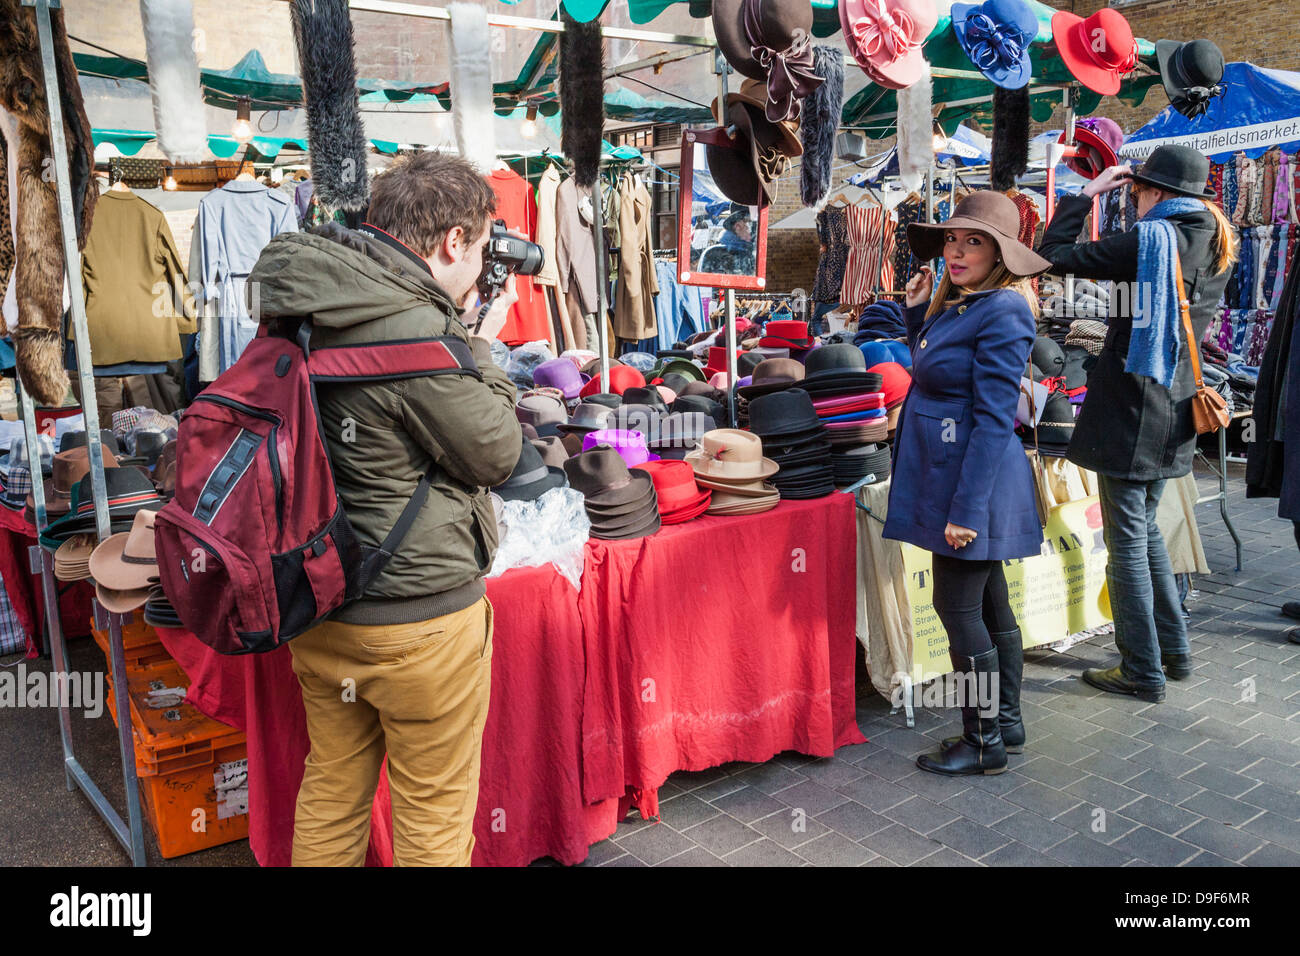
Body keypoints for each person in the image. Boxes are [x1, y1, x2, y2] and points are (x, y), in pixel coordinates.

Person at [247, 151, 523, 865]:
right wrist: (475, 343)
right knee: (431, 817)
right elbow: (496, 452)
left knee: (334, 789)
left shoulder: (302, 304)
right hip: (420, 621)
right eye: (484, 248)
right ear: (452, 242)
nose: (482, 267)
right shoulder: (418, 331)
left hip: (318, 605)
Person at [1038, 145, 1237, 702]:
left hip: (1132, 407)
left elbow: (1051, 254)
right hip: (1175, 407)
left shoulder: (1152, 241)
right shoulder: (1216, 240)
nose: (1133, 201)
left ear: (1156, 194)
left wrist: (1087, 192)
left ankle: (1141, 669)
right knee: (1145, 531)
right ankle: (1172, 652)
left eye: (1136, 192)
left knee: (1126, 541)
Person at [884, 191, 1051, 776]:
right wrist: (915, 314)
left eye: (973, 241)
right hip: (951, 472)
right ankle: (1005, 721)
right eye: (952, 238)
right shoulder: (965, 304)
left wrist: (966, 511)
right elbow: (936, 372)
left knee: (956, 608)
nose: (956, 250)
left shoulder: (1003, 309)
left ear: (1000, 253)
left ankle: (983, 743)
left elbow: (992, 415)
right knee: (987, 601)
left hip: (968, 479)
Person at [700, 206, 756, 275]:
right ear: (737, 226)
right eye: (751, 225)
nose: (755, 230)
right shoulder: (717, 253)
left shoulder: (749, 252)